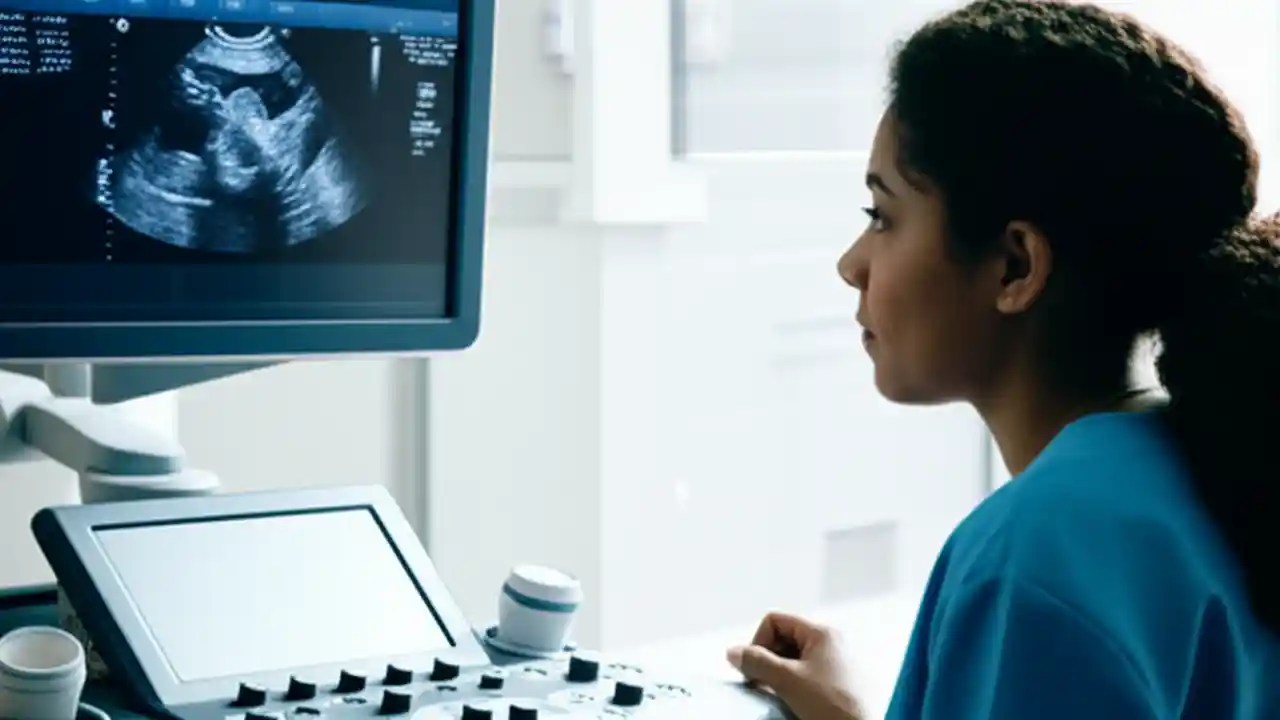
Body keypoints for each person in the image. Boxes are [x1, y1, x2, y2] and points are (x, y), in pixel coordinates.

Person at [724, 1, 1280, 718]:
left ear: (1016, 266)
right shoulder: (1216, 473)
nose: (850, 264)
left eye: (882, 216)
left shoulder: (1042, 556)